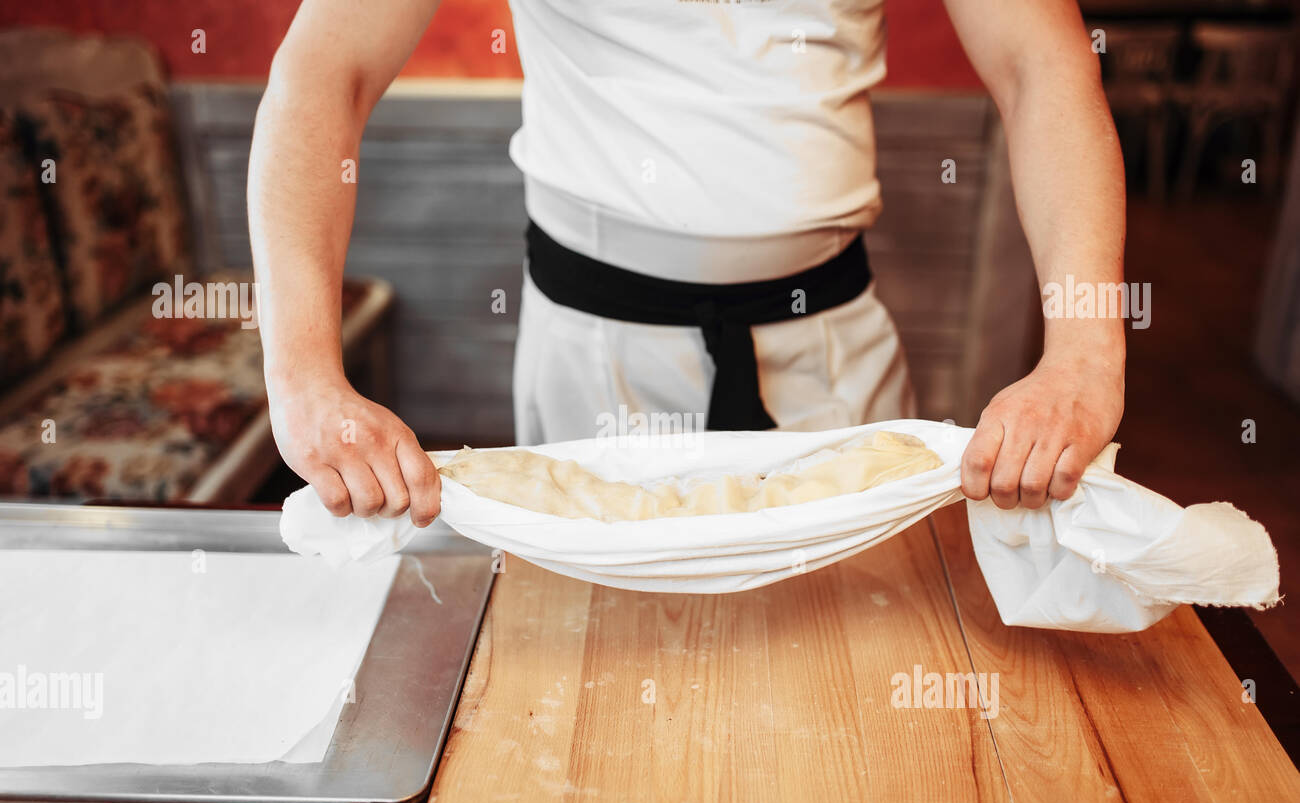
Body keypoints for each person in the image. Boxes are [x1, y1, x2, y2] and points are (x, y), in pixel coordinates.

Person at [248, 0, 1126, 529]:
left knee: (834, 688)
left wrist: (1085, 354)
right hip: (591, 365)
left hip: (832, 359)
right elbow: (327, 72)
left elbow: (1040, 63)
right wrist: (303, 375)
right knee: (594, 698)